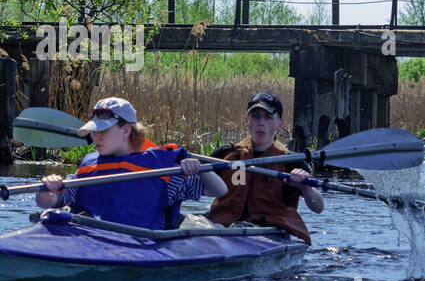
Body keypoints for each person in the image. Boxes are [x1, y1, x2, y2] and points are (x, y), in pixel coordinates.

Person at [36, 97, 226, 230]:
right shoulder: (88, 166)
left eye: (103, 131)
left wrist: (199, 168)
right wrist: (47, 188)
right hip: (90, 239)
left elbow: (218, 191)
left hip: (141, 245)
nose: (96, 138)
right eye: (95, 132)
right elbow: (47, 202)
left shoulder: (160, 169)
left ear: (126, 130)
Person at [206, 91, 324, 242]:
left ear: (279, 124)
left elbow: (318, 207)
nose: (261, 123)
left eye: (268, 117)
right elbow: (196, 186)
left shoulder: (291, 161)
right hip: (224, 230)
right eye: (255, 116)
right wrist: (189, 167)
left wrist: (305, 187)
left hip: (269, 233)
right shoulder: (225, 155)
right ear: (247, 120)